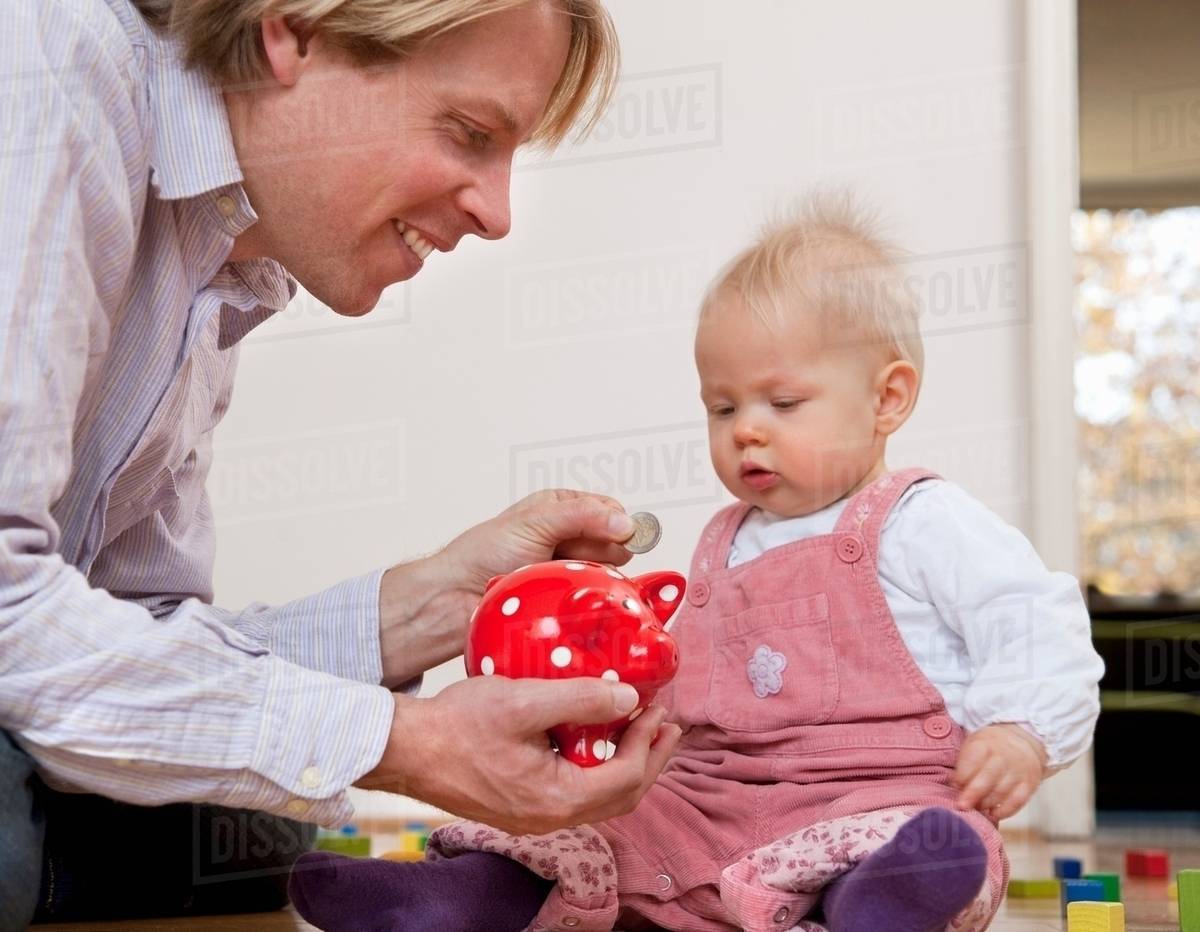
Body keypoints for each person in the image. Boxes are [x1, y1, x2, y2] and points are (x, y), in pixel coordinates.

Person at [0, 1, 681, 927]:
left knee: (242, 831)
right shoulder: (45, 74)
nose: (498, 212)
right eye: (470, 132)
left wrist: (444, 604)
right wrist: (408, 743)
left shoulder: (218, 258)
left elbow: (127, 639)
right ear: (294, 31)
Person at [286, 194, 1105, 932]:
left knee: (941, 841)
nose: (746, 428)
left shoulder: (924, 523)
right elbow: (688, 689)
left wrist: (1022, 733)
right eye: (722, 406)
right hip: (713, 797)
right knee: (597, 831)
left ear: (888, 398)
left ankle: (878, 905)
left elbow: (1037, 623)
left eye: (782, 403)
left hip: (877, 793)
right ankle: (453, 899)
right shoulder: (721, 540)